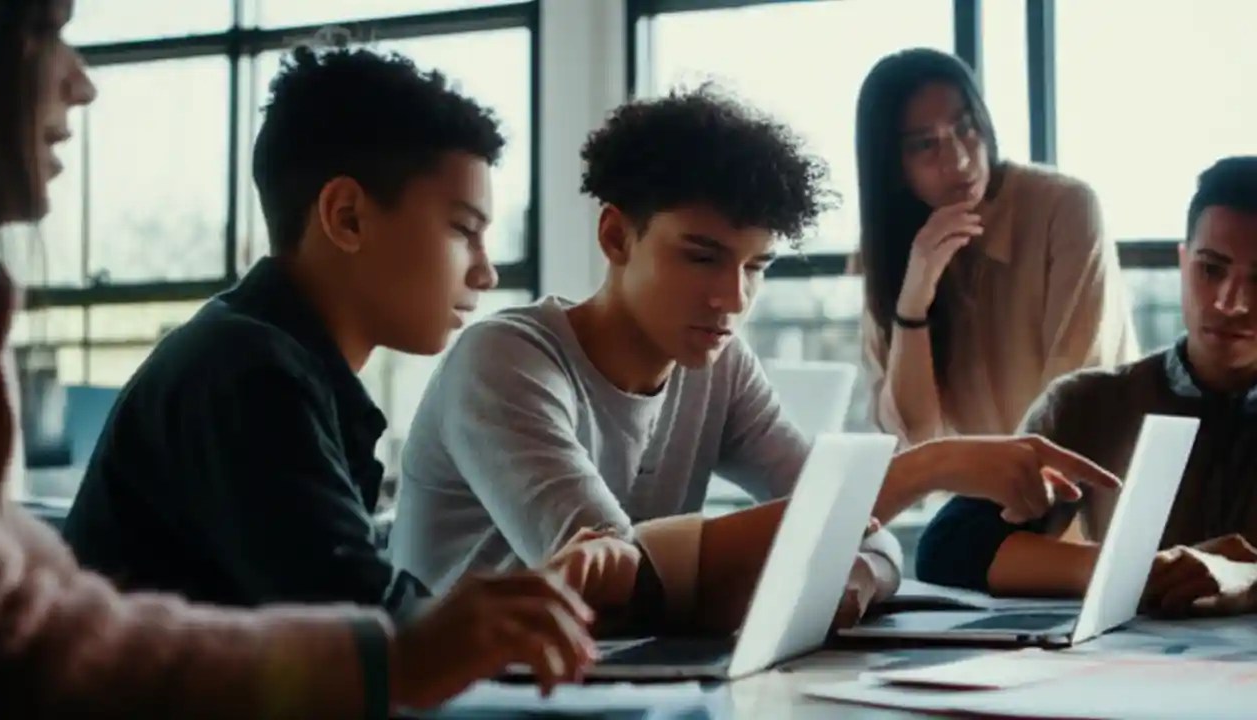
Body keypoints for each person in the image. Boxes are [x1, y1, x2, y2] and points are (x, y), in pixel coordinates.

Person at [0, 2, 604, 715]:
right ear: (347, 217)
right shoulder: (248, 371)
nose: (486, 274)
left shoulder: (262, 356)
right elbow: (366, 622)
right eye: (464, 230)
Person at [388, 85, 1125, 624]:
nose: (733, 298)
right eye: (702, 258)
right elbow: (627, 584)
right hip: (464, 700)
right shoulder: (507, 363)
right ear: (616, 238)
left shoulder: (720, 365)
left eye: (756, 266)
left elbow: (876, 547)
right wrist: (925, 469)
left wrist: (850, 578)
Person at [916, 156, 1257, 618]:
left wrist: (1248, 577)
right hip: (1126, 678)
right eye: (1211, 270)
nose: (1230, 302)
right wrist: (1137, 570)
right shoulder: (1093, 404)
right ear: (1182, 262)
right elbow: (950, 549)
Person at [857, 48, 1137, 447]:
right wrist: (914, 299)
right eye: (925, 145)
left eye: (964, 127)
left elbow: (1075, 399)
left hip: (1083, 484)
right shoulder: (893, 249)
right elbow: (915, 438)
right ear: (893, 167)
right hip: (979, 496)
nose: (958, 159)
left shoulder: (1064, 208)